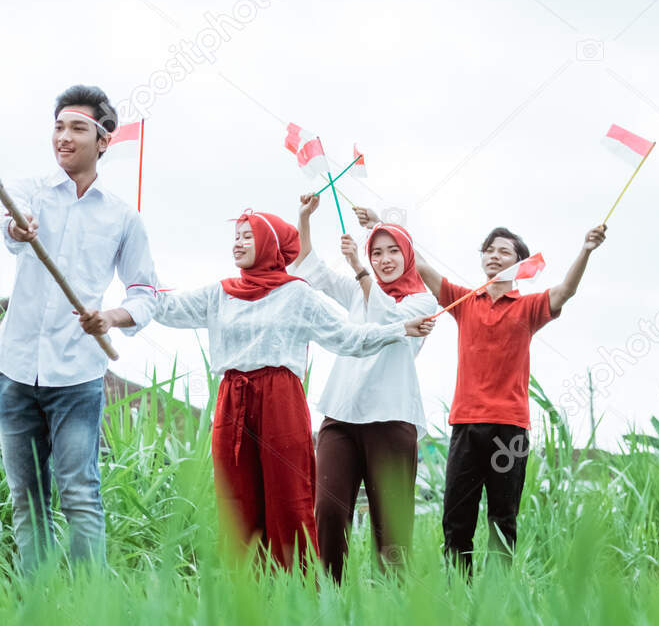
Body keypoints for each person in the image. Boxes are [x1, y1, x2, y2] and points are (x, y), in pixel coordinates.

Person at [83, 206, 434, 572]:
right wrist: (139, 278)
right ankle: (245, 589)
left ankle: (297, 589)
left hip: (281, 401)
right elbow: (168, 307)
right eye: (236, 237)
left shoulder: (297, 295)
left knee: (288, 500)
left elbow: (348, 337)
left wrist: (398, 329)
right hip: (233, 401)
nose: (238, 243)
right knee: (236, 498)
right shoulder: (220, 293)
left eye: (248, 236)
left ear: (267, 243)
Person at [0, 86, 160, 574]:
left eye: (77, 129)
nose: (64, 138)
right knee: (28, 500)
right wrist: (17, 228)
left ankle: (91, 612)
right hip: (16, 370)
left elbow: (146, 292)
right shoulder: (31, 192)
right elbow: (11, 226)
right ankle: (36, 611)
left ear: (103, 141)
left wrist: (109, 317)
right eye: (59, 127)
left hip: (78, 378)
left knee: (80, 495)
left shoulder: (123, 217)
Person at [409, 221, 607, 574]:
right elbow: (422, 266)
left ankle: (497, 598)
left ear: (518, 263)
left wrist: (587, 249)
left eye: (504, 251)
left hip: (510, 430)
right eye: (489, 250)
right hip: (466, 425)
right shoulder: (465, 301)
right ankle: (459, 593)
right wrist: (384, 225)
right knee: (457, 517)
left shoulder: (527, 307)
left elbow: (565, 292)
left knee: (502, 518)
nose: (495, 256)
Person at [291, 193, 438, 580]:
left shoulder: (422, 301)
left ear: (407, 256)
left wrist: (359, 267)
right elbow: (311, 268)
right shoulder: (358, 289)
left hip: (392, 419)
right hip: (341, 416)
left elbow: (387, 322)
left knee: (390, 525)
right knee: (328, 509)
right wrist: (305, 218)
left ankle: (391, 606)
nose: (385, 259)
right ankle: (327, 595)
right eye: (376, 253)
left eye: (393, 251)